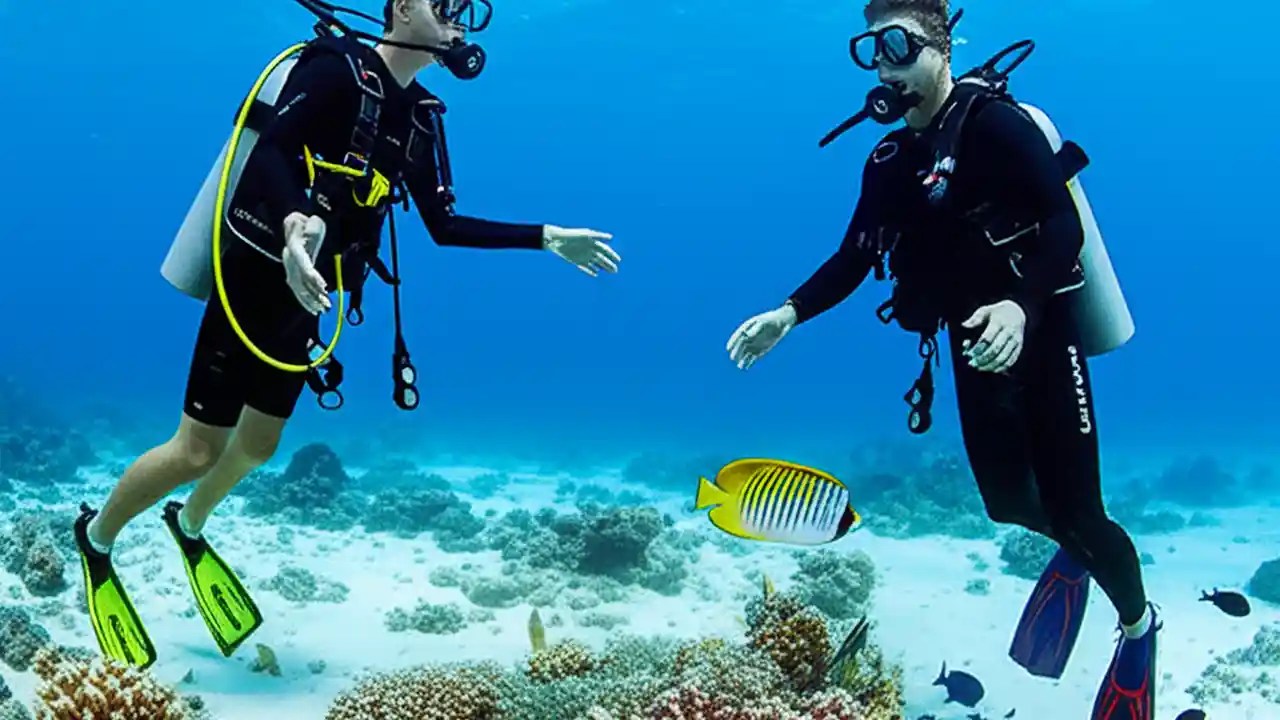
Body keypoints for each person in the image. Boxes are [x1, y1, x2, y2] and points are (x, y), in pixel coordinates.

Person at [74, 0, 621, 669]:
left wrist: (545, 238)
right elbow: (271, 153)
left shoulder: (421, 120)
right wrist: (292, 228)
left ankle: (187, 524)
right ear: (401, 7)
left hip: (313, 295)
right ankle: (96, 538)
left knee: (259, 446)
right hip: (256, 276)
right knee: (196, 450)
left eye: (463, 9)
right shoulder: (335, 69)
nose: (455, 19)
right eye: (442, 3)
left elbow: (444, 225)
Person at [724, 1, 1155, 718]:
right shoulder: (889, 161)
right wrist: (789, 313)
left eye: (900, 45)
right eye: (872, 49)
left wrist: (1022, 305)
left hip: (1042, 333)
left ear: (943, 48)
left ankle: (1139, 627)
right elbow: (854, 256)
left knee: (1081, 511)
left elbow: (1062, 226)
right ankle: (1079, 552)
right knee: (1007, 503)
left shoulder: (997, 127)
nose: (885, 65)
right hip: (970, 344)